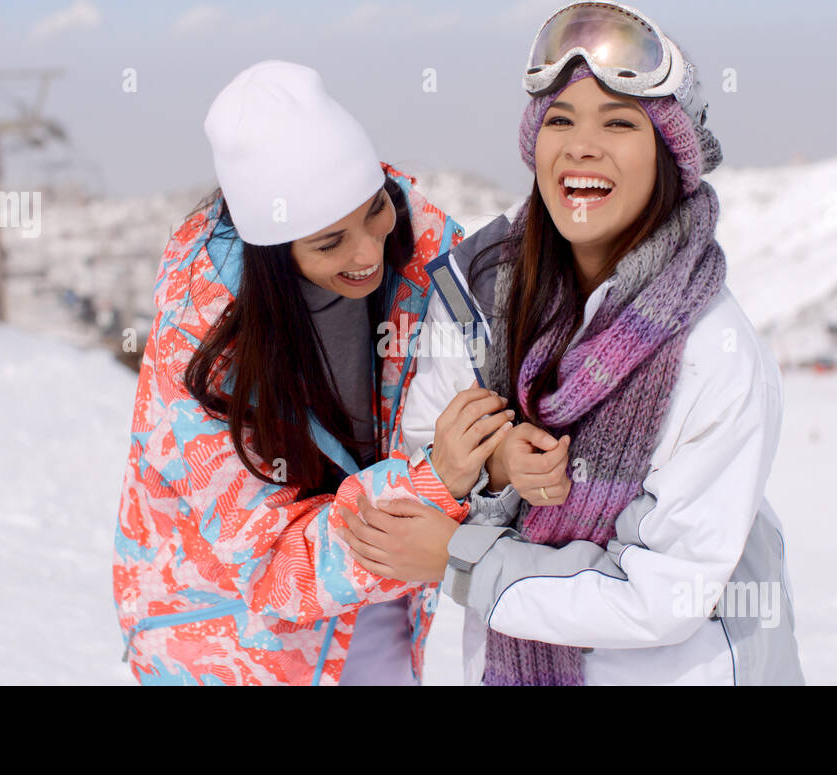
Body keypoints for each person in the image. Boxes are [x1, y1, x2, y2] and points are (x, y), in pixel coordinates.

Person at [338, 2, 805, 685]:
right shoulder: (480, 288)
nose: (581, 145)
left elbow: (663, 594)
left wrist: (462, 561)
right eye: (560, 120)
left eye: (619, 122)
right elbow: (420, 449)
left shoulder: (716, 354)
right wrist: (491, 459)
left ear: (670, 158)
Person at [112, 60, 509, 685]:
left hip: (379, 605)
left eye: (374, 210)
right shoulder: (204, 351)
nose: (367, 252)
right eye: (329, 243)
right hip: (232, 641)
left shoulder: (429, 253)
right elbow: (274, 573)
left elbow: (492, 371)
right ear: (274, 252)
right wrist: (439, 479)